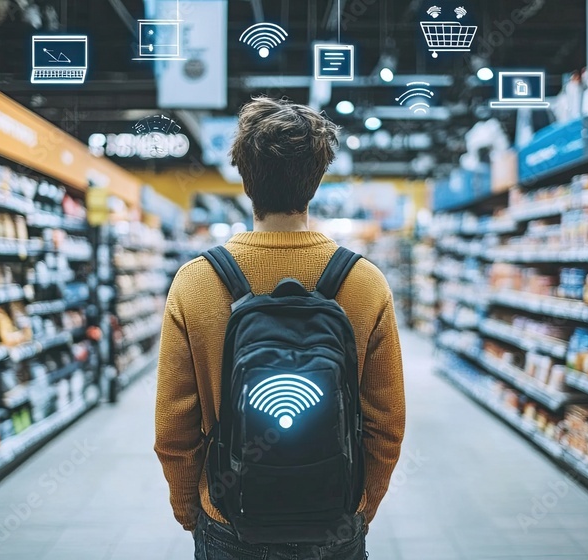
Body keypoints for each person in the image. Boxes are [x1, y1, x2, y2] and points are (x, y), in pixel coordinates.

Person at [154, 96, 406, 560]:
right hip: (334, 521)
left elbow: (174, 428)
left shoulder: (196, 282)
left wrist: (194, 511)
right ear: (318, 178)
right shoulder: (365, 282)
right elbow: (386, 423)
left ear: (243, 175)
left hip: (230, 518)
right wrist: (359, 507)